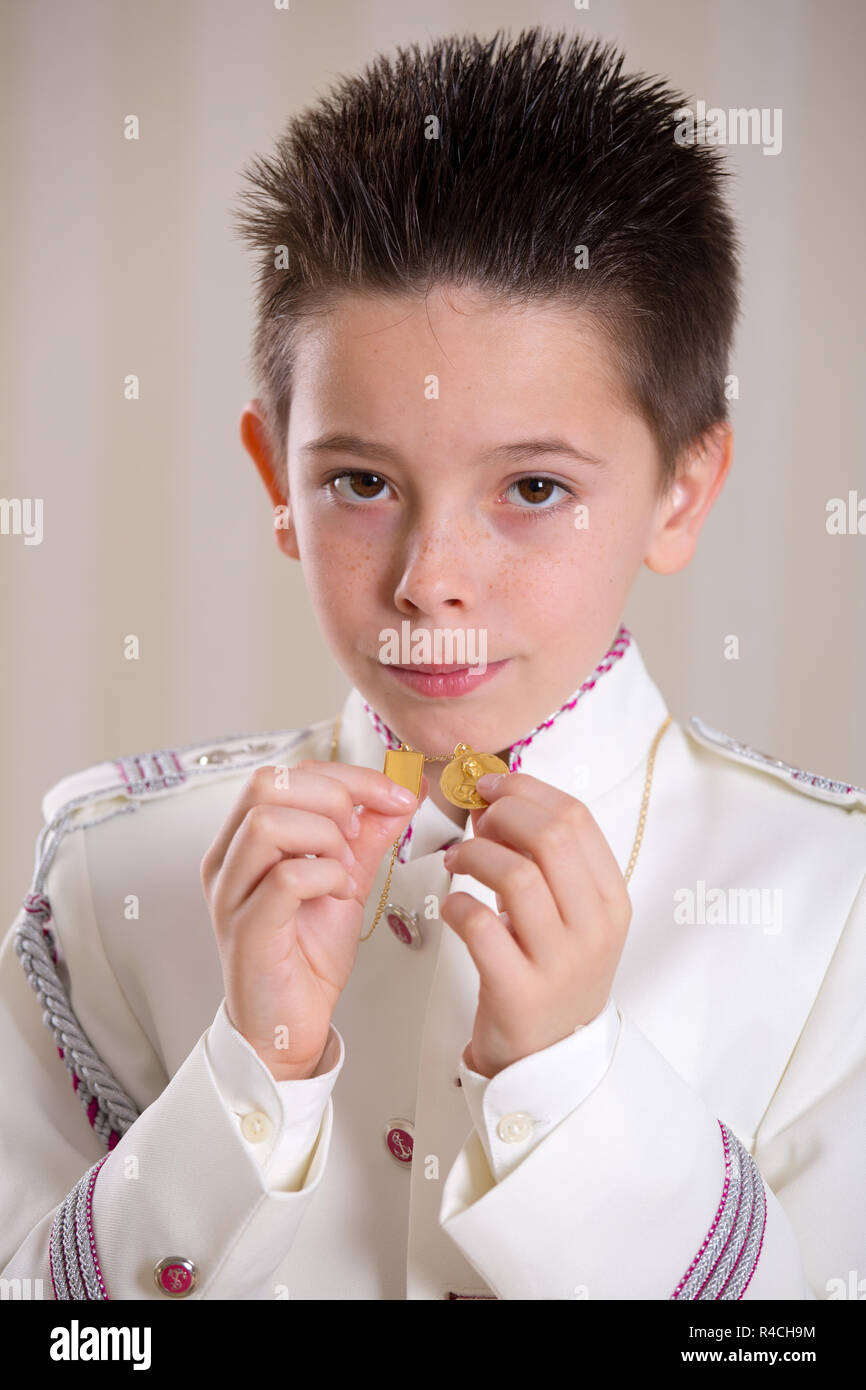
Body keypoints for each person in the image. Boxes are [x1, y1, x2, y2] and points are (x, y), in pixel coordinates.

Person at [2, 26, 864, 1302]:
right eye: (359, 481)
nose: (428, 577)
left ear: (682, 491)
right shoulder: (110, 877)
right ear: (273, 481)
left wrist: (569, 1085)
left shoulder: (831, 906)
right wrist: (250, 1076)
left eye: (530, 486)